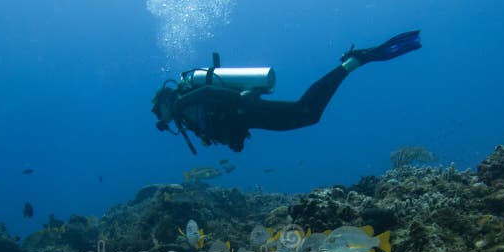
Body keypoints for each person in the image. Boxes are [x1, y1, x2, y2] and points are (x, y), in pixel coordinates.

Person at [152, 30, 421, 153]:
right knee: (307, 114)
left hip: (245, 108)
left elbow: (210, 93)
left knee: (305, 111)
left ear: (164, 101)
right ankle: (349, 65)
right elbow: (218, 121)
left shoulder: (181, 103)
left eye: (158, 111)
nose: (161, 118)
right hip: (246, 115)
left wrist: (240, 102)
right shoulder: (184, 114)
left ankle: (351, 63)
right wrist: (235, 138)